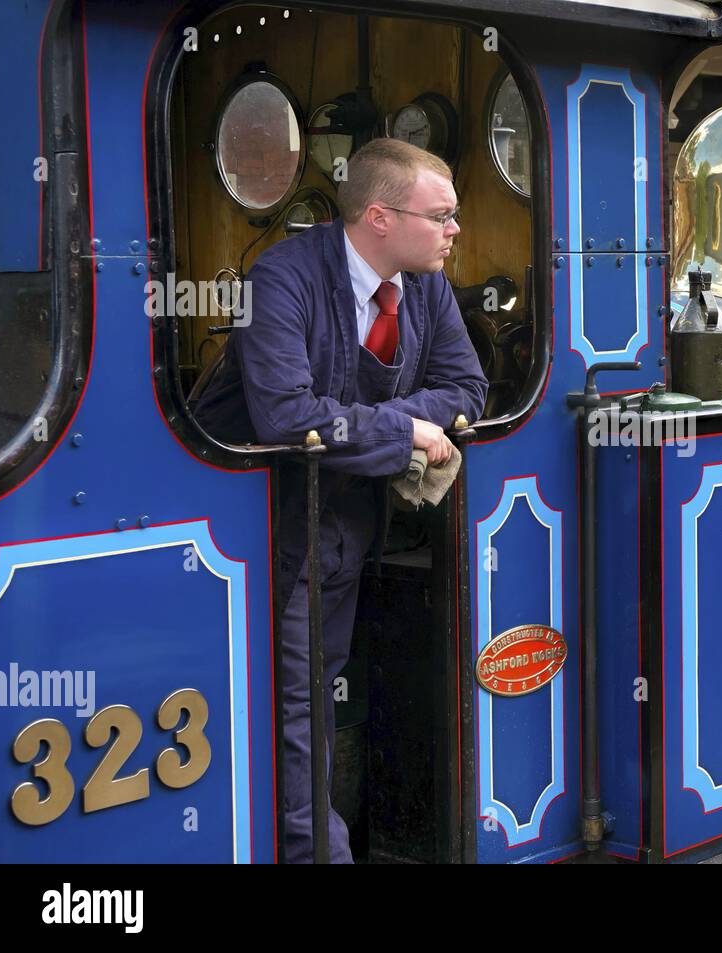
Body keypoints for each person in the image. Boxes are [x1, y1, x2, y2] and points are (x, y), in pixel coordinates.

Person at [194, 138, 487, 862]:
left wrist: (375, 423)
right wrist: (408, 427)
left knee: (317, 698)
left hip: (347, 525)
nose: (456, 231)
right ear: (381, 217)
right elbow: (289, 416)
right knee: (296, 711)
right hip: (257, 528)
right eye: (442, 216)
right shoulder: (283, 279)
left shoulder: (424, 283)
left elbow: (469, 388)